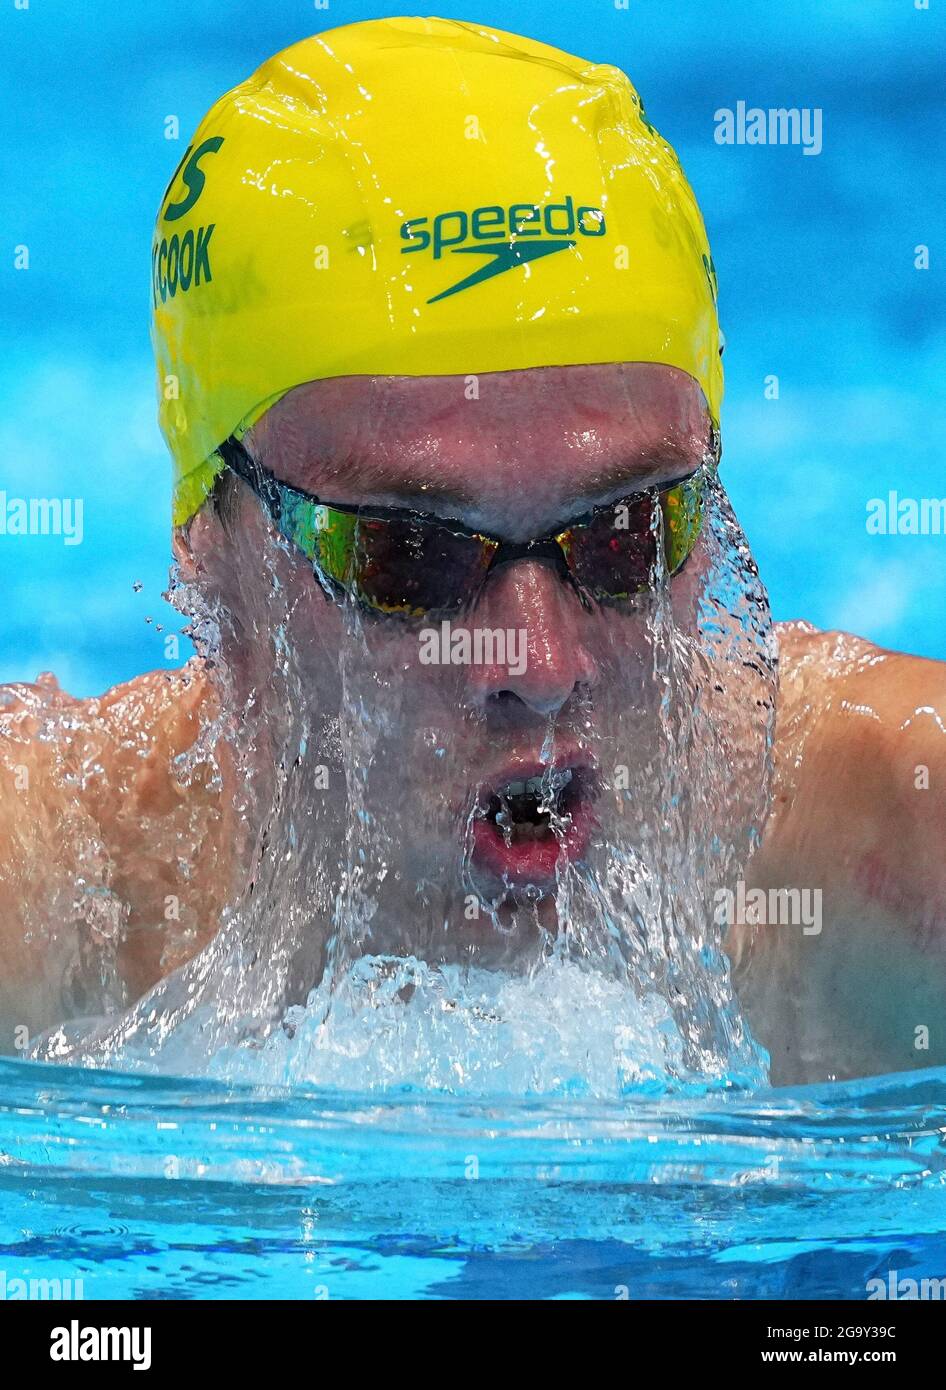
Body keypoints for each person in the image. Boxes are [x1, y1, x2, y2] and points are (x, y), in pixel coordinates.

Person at [2, 18, 944, 1084]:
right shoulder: (40, 914)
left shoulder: (898, 847)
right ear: (207, 561)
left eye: (623, 537)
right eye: (406, 558)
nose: (537, 669)